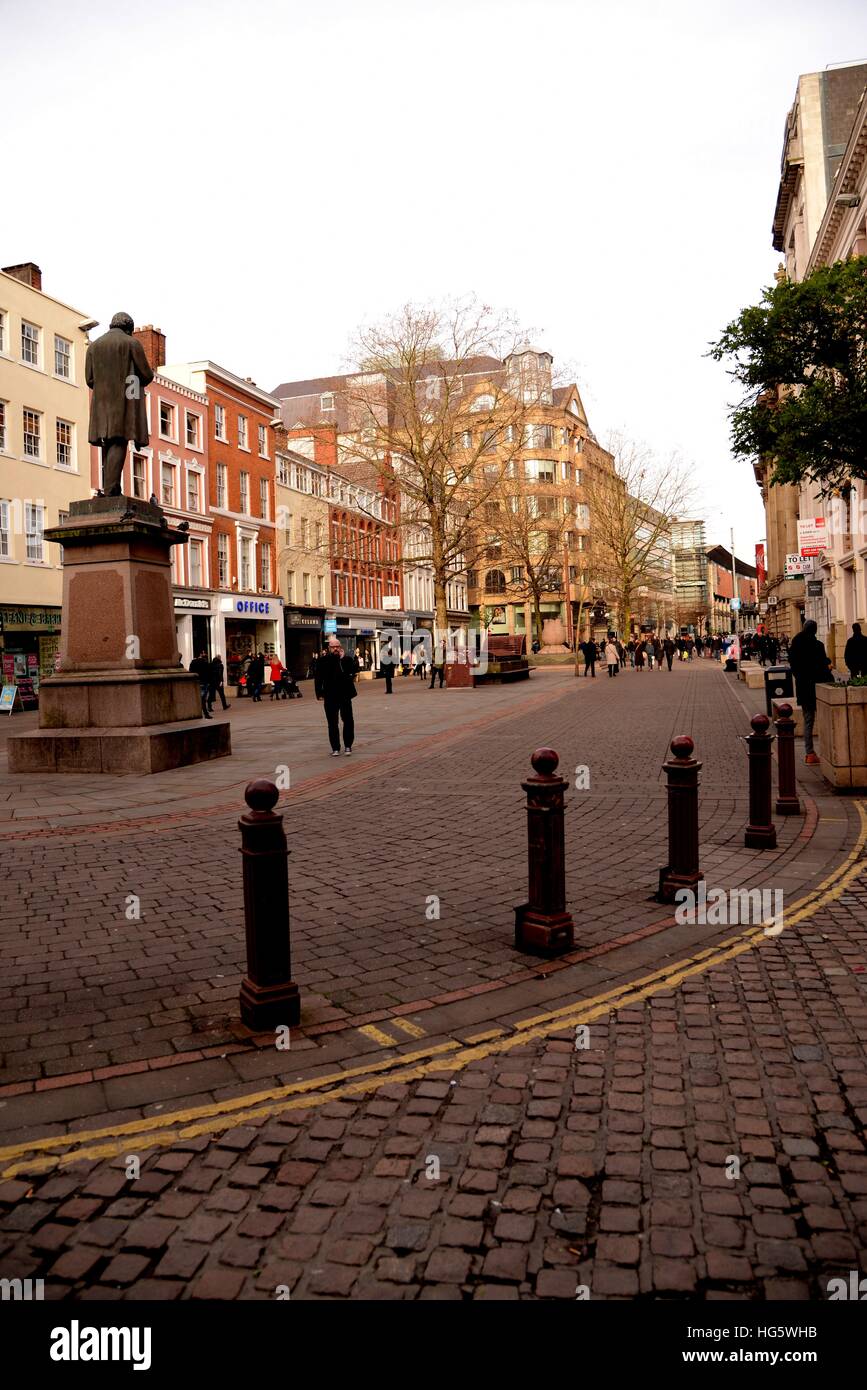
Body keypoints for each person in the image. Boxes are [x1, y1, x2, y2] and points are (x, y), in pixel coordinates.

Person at [788, 619, 833, 764]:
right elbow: (822, 665)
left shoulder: (796, 644)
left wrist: (800, 678)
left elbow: (793, 665)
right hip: (818, 688)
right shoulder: (817, 645)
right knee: (826, 719)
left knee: (808, 721)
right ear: (814, 630)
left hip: (803, 687)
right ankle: (829, 752)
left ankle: (810, 753)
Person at [315, 637, 359, 755]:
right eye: (333, 647)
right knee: (332, 723)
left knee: (348, 720)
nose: (335, 649)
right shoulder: (323, 660)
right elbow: (318, 678)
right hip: (330, 695)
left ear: (340, 647)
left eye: (337, 647)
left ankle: (348, 746)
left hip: (345, 695)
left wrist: (343, 658)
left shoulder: (346, 660)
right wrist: (319, 693)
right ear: (329, 648)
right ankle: (335, 748)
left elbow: (355, 669)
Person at [188, 650, 213, 719]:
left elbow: (190, 671)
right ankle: (205, 714)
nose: (205, 654)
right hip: (204, 682)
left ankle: (195, 713)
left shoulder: (193, 662)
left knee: (197, 699)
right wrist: (209, 682)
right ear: (201, 654)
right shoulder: (205, 662)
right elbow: (209, 672)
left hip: (196, 682)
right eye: (204, 653)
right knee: (203, 699)